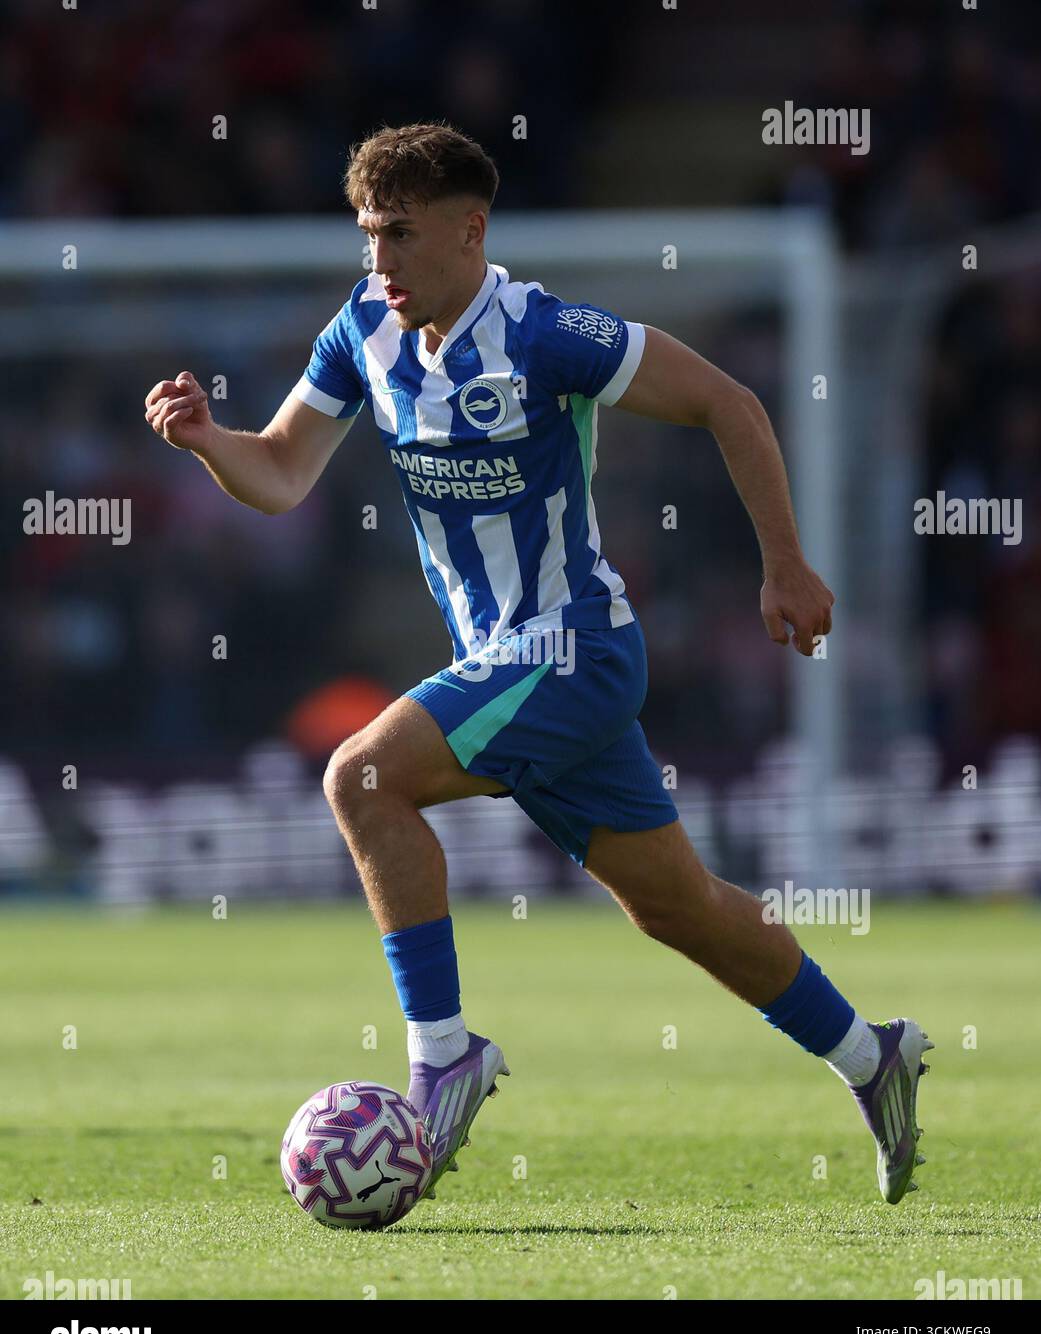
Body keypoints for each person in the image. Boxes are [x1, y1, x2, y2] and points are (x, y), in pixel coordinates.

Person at [145, 121, 931, 1205]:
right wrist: (207, 442)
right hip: (507, 662)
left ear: (470, 233)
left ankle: (443, 1056)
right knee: (681, 909)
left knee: (361, 776)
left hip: (570, 646)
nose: (379, 262)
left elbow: (729, 402)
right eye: (368, 236)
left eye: (400, 236)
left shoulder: (548, 333)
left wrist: (785, 564)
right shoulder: (364, 329)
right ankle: (869, 1054)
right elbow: (280, 472)